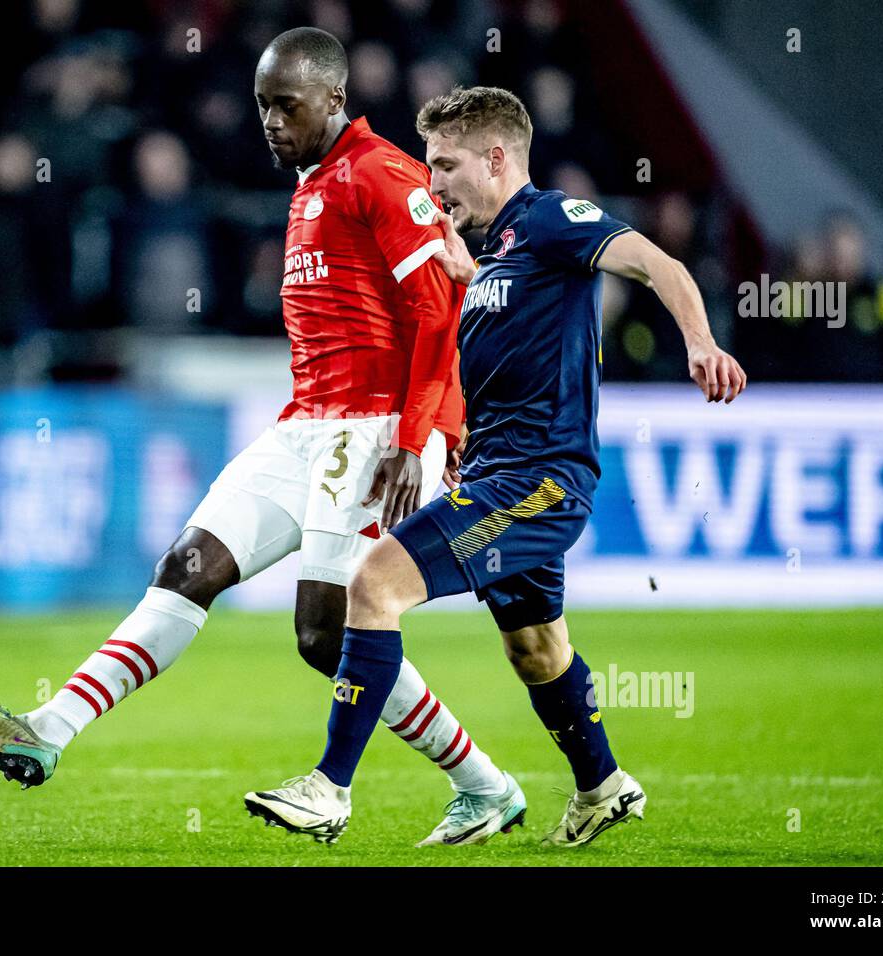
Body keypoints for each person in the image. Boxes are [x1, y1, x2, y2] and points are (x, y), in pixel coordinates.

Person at [0, 31, 526, 848]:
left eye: (287, 106)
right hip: (305, 422)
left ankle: (479, 784)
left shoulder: (381, 173)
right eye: (263, 107)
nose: (271, 122)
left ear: (334, 99)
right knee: (187, 566)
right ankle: (47, 729)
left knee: (325, 634)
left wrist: (419, 440)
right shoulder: (314, 180)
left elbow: (436, 310)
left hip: (375, 425)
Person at [246, 85, 747, 846]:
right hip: (496, 477)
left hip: (539, 482)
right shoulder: (498, 252)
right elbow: (514, 330)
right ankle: (603, 786)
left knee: (373, 583)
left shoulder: (551, 219)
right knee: (536, 648)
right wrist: (464, 273)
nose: (433, 181)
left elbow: (656, 262)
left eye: (444, 164)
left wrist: (701, 342)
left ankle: (329, 788)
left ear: (496, 157)